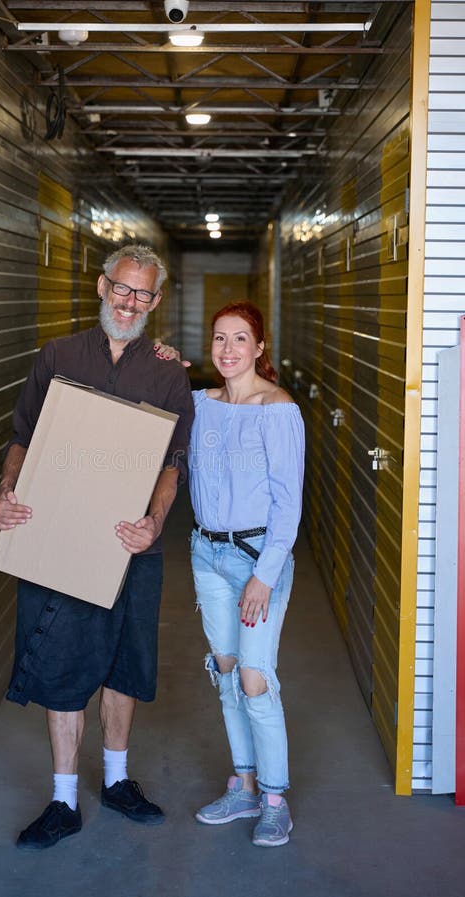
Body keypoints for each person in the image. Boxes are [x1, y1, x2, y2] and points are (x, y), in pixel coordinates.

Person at [0, 244, 194, 851]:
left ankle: (115, 780)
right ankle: (61, 798)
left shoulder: (167, 372)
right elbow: (22, 438)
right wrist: (5, 493)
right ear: (102, 287)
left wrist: (156, 521)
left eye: (143, 294)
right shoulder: (57, 357)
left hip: (131, 544)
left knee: (124, 666)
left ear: (155, 302)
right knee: (60, 664)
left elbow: (171, 463)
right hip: (60, 539)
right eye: (121, 288)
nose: (129, 302)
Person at [188, 300, 304, 848]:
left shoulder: (277, 409)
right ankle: (246, 785)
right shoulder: (200, 404)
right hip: (206, 555)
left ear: (259, 348)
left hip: (257, 561)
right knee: (228, 673)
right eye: (219, 338)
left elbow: (288, 506)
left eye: (239, 339)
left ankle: (276, 801)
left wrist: (265, 574)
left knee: (256, 682)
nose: (227, 349)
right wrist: (160, 357)